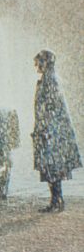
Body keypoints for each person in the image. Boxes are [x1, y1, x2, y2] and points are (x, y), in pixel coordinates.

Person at [32, 49, 82, 212]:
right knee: (51, 165)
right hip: (51, 129)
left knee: (51, 165)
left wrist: (46, 128)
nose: (36, 65)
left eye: (39, 62)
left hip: (52, 131)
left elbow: (51, 108)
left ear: (45, 63)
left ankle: (56, 201)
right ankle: (56, 200)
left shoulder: (50, 81)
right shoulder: (49, 79)